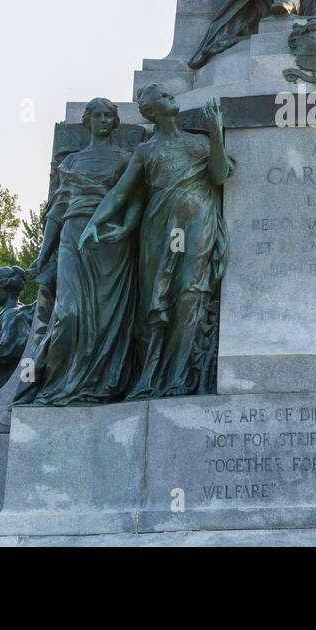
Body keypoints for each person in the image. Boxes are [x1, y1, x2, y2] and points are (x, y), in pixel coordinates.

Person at [81, 87, 233, 399]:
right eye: (163, 96)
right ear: (152, 111)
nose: (171, 96)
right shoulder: (145, 151)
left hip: (199, 221)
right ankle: (149, 376)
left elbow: (220, 175)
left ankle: (177, 376)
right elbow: (120, 193)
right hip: (160, 227)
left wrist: (216, 133)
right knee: (155, 299)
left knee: (191, 293)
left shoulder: (199, 142)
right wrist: (93, 222)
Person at [14, 98, 142, 406]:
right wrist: (43, 255)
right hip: (73, 236)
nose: (102, 120)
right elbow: (56, 212)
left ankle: (95, 386)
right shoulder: (70, 162)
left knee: (109, 318)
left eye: (107, 116)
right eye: (96, 115)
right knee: (69, 313)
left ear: (115, 122)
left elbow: (135, 199)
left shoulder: (126, 158)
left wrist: (124, 229)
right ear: (86, 121)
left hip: (111, 241)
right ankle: (59, 382)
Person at [0, 265, 35, 390]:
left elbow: (8, 350)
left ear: (4, 287)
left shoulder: (13, 314)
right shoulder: (7, 313)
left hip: (8, 384)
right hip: (1, 381)